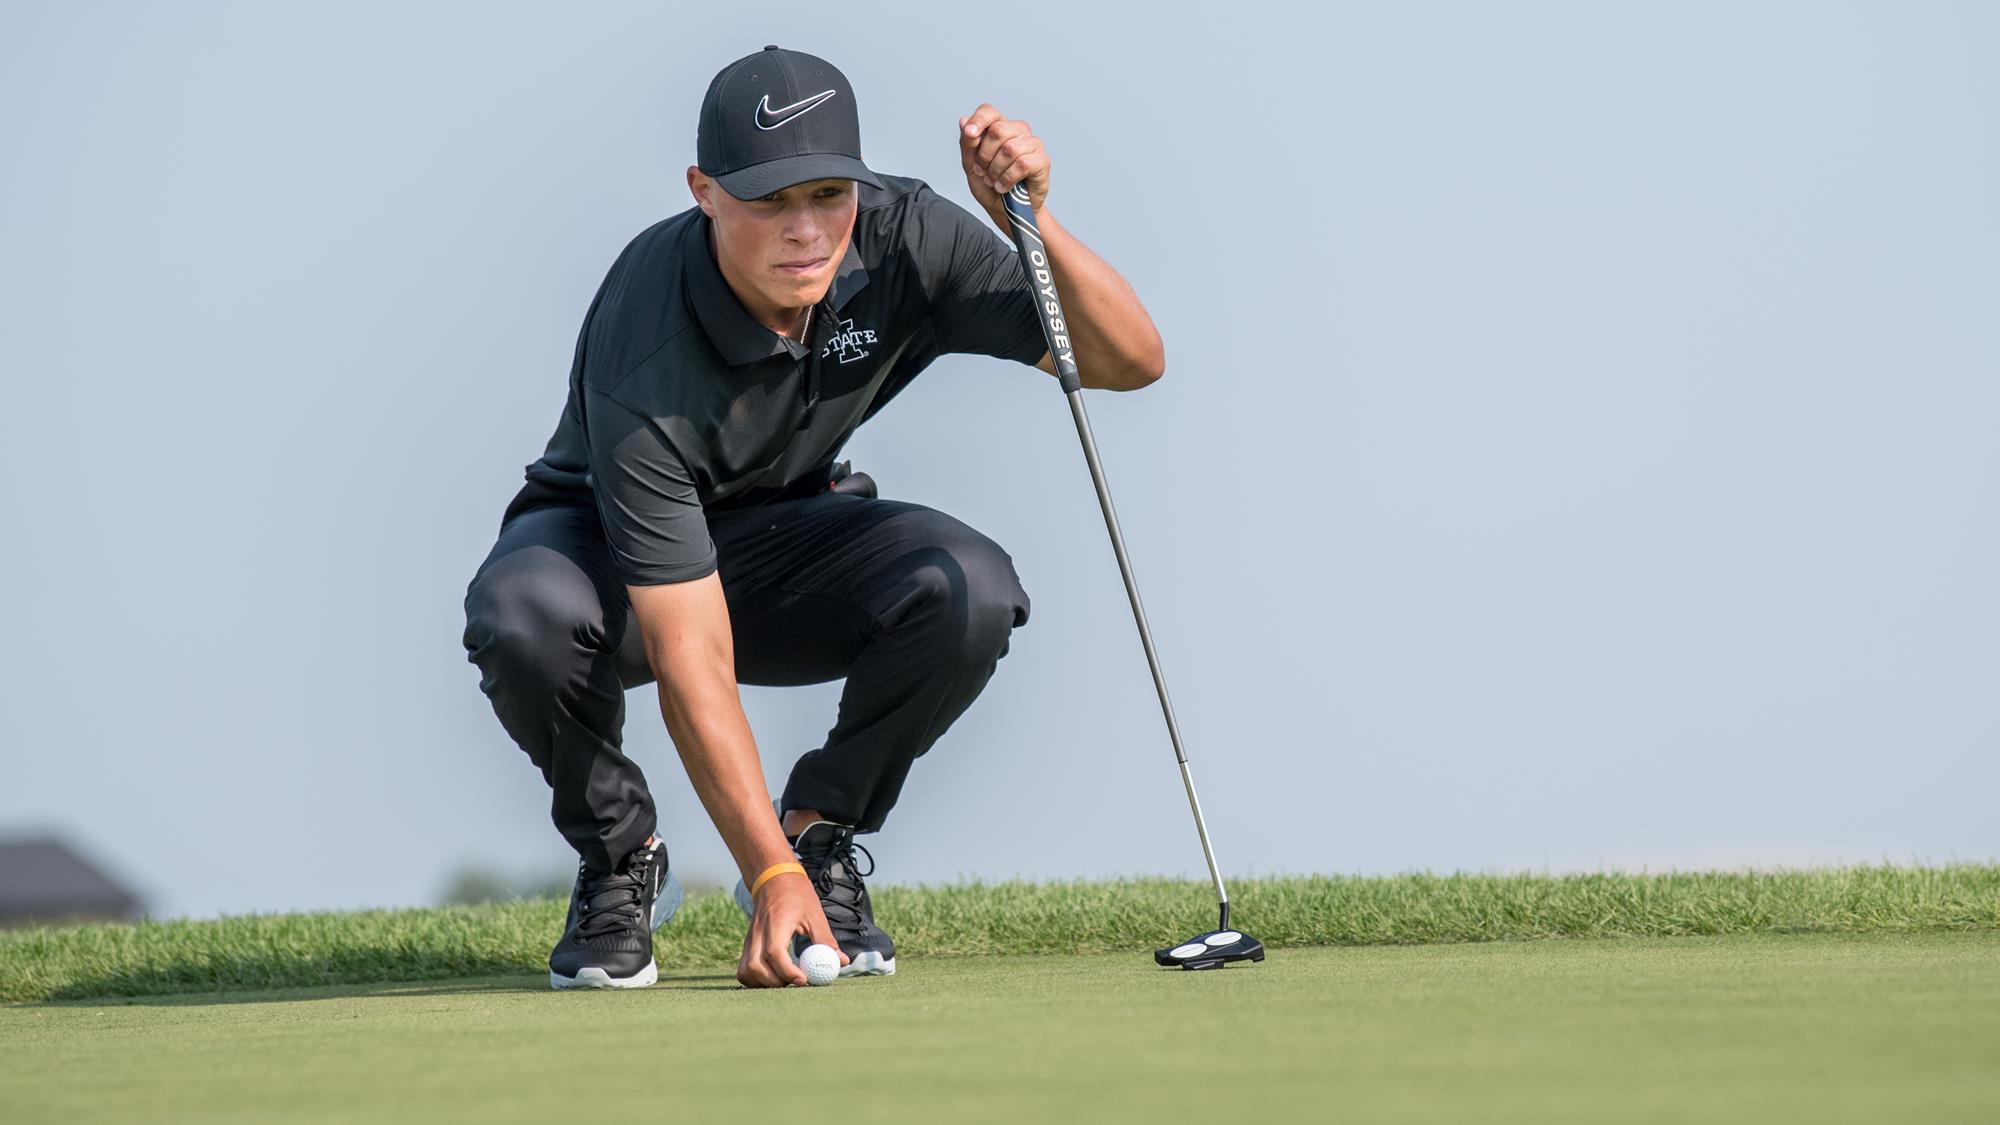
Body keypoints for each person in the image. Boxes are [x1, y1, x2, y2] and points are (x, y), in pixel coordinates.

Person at [460, 45, 1164, 990]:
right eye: (769, 201)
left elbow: (1128, 358)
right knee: (523, 616)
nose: (806, 230)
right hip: (606, 558)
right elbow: (690, 654)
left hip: (785, 534)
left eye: (829, 194)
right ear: (704, 191)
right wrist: (764, 875)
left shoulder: (906, 236)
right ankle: (622, 856)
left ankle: (821, 830)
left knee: (969, 588)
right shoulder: (646, 341)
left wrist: (1027, 223)